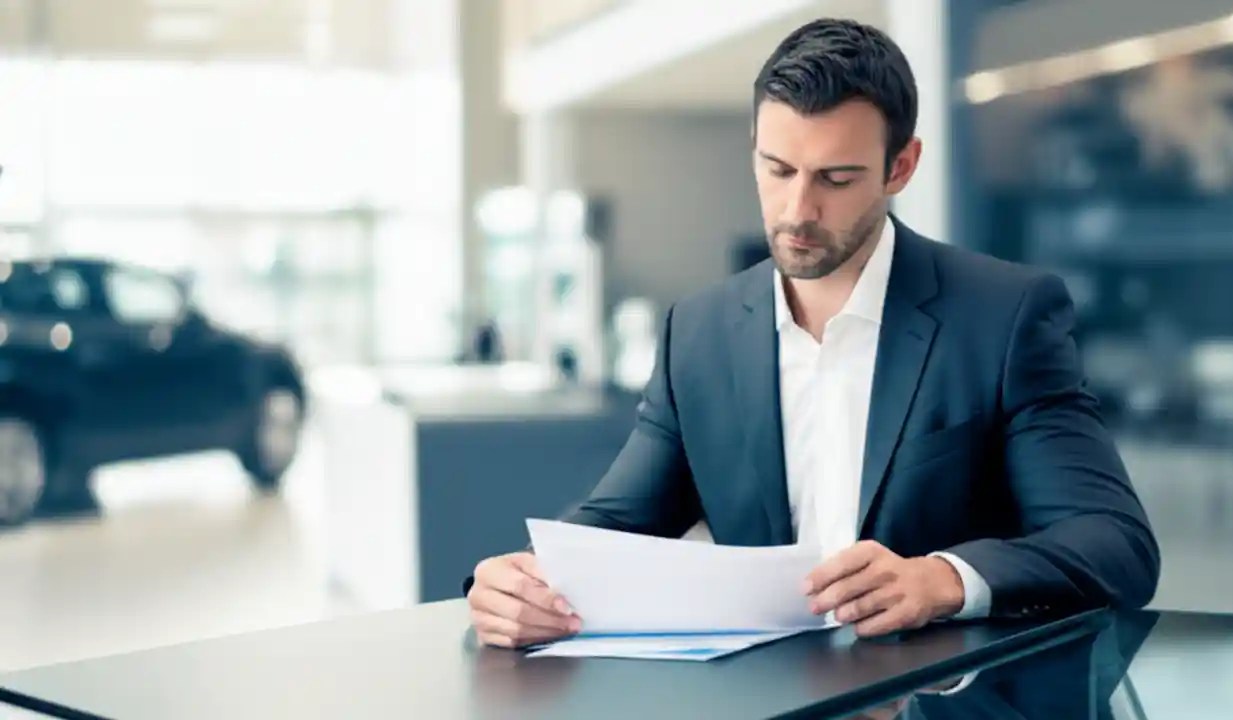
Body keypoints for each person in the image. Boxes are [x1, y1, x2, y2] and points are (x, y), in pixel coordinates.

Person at [465, 18, 1160, 649]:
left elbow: (1115, 544)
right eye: (778, 170)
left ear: (901, 167)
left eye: (836, 177)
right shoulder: (699, 334)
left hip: (947, 699)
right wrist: (517, 582)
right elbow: (616, 523)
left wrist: (943, 580)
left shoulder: (1002, 315)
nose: (798, 209)